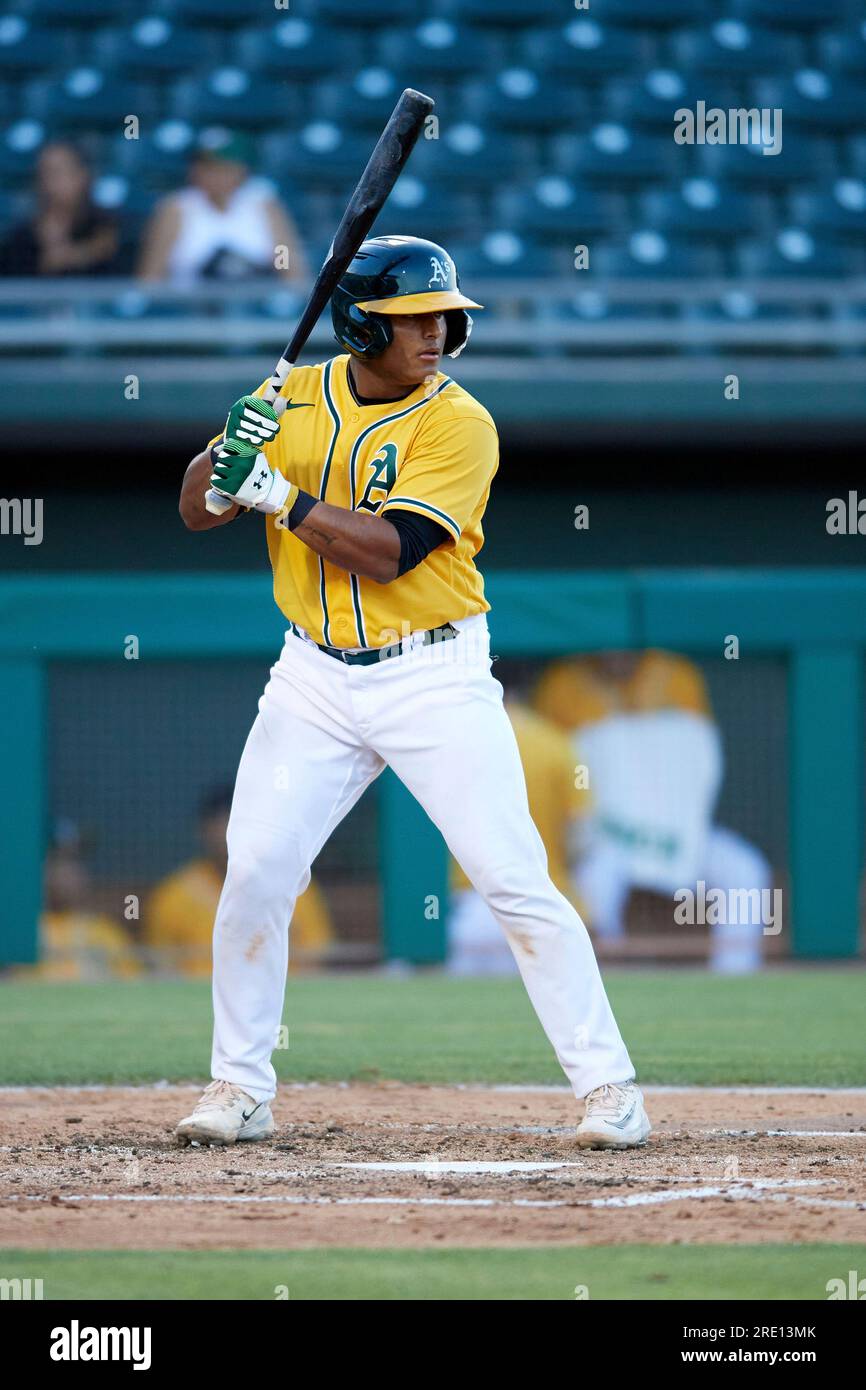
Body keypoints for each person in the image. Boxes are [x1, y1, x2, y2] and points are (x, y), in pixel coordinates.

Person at [173, 235, 651, 1152]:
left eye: (442, 317)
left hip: (432, 673)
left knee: (513, 880)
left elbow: (392, 554)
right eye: (410, 320)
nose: (435, 332)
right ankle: (239, 1086)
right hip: (312, 674)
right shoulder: (295, 396)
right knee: (257, 879)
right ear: (361, 325)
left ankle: (610, 1090)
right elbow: (198, 510)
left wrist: (281, 497)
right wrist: (229, 450)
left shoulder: (461, 423)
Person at [533, 650, 773, 973]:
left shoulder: (677, 676)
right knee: (596, 881)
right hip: (607, 836)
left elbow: (696, 756)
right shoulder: (562, 683)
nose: (616, 652)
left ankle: (734, 980)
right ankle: (601, 982)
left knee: (745, 870)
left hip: (677, 831)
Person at [447, 692, 591, 974]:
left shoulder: (454, 739)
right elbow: (581, 837)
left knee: (465, 1008)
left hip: (472, 907)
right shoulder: (557, 741)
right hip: (544, 901)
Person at [145, 785, 333, 975]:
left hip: (282, 1000)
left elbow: (316, 963)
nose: (235, 833)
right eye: (226, 821)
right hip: (201, 1001)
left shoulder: (296, 885)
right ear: (204, 830)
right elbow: (161, 971)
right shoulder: (174, 896)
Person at [137, 128, 308, 286]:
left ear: (241, 170)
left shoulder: (262, 204)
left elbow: (290, 267)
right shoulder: (176, 208)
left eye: (222, 167)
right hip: (191, 310)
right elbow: (151, 278)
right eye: (205, 166)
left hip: (253, 307)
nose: (212, 174)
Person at [20, 825, 142, 982]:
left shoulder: (104, 931)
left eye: (74, 860)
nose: (69, 872)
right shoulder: (17, 931)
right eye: (57, 860)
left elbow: (135, 986)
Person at [0, 141, 121, 277]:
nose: (50, 183)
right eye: (44, 173)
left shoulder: (110, 228)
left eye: (60, 172)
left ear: (84, 176)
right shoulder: (20, 239)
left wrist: (76, 255)